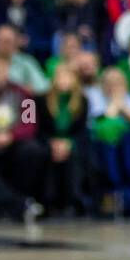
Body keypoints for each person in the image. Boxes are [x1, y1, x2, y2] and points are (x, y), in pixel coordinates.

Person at [0, 55, 45, 220]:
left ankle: (16, 202)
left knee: (32, 149)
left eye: (0, 70)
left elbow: (29, 125)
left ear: (7, 72)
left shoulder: (23, 94)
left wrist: (10, 136)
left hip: (10, 146)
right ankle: (19, 206)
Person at [36, 61, 91, 215]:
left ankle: (73, 201)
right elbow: (35, 128)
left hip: (71, 143)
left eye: (68, 76)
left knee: (75, 156)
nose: (64, 80)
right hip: (47, 142)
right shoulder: (38, 100)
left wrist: (69, 143)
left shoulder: (83, 101)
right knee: (46, 154)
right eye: (60, 76)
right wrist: (51, 143)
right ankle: (48, 202)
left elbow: (82, 130)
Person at [0, 23, 48, 94]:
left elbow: (43, 87)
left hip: (20, 102)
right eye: (0, 41)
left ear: (15, 42)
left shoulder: (27, 62)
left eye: (8, 41)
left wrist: (24, 89)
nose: (4, 45)